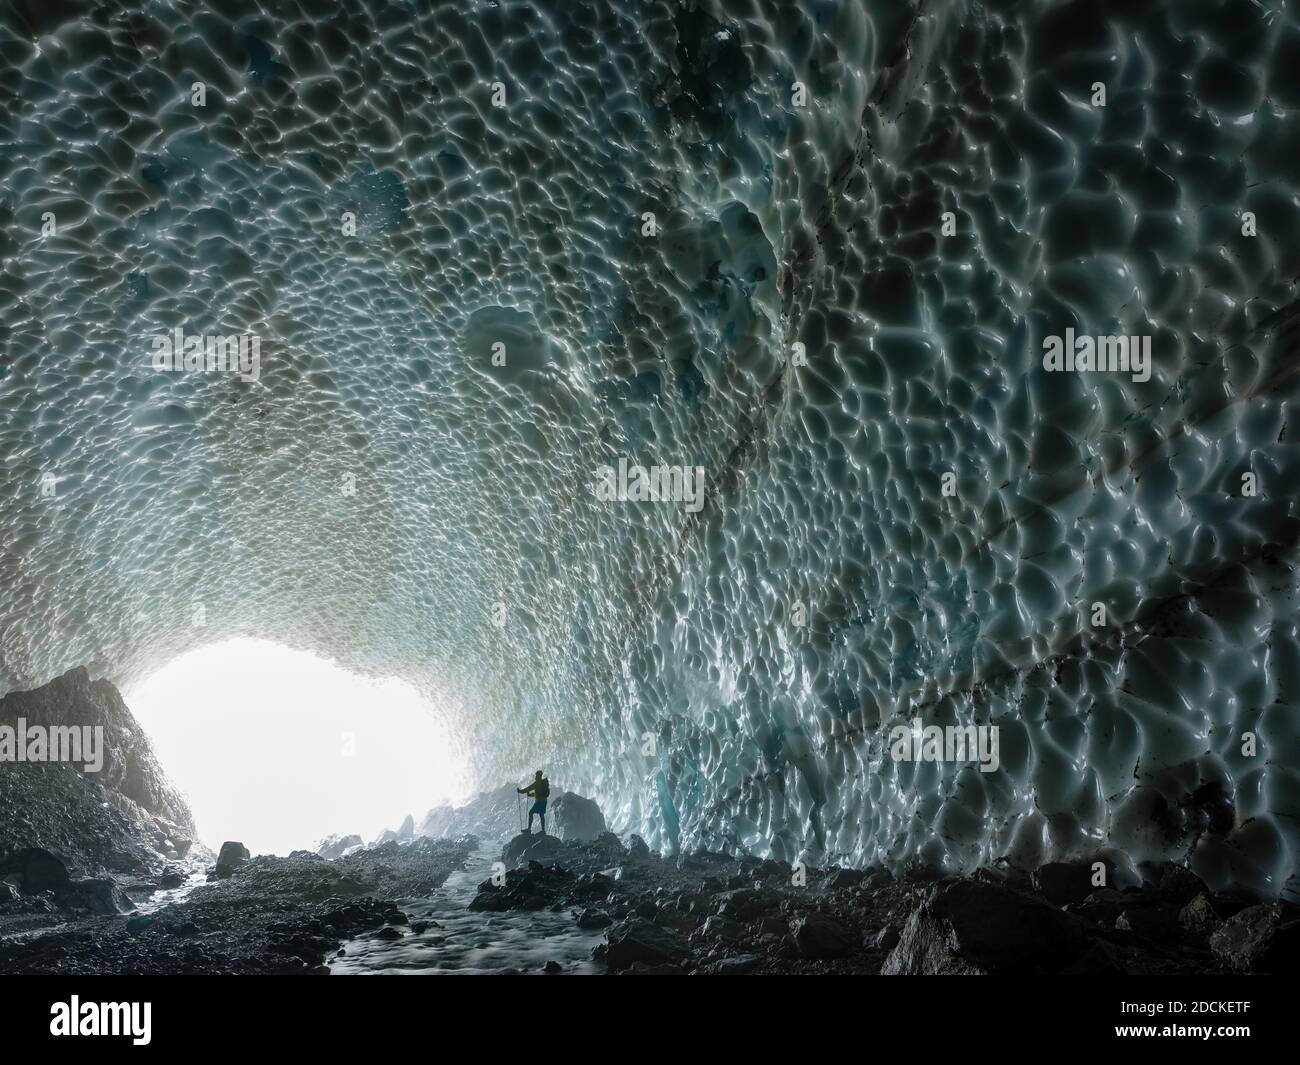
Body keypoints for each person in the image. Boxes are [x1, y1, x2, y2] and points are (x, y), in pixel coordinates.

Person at [518, 770, 550, 834]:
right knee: (541, 815)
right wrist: (530, 795)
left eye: (536, 775)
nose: (535, 776)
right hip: (544, 802)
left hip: (539, 802)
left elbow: (527, 789)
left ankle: (529, 829)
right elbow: (538, 793)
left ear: (538, 776)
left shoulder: (536, 783)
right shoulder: (542, 783)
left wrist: (520, 791)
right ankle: (543, 831)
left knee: (530, 813)